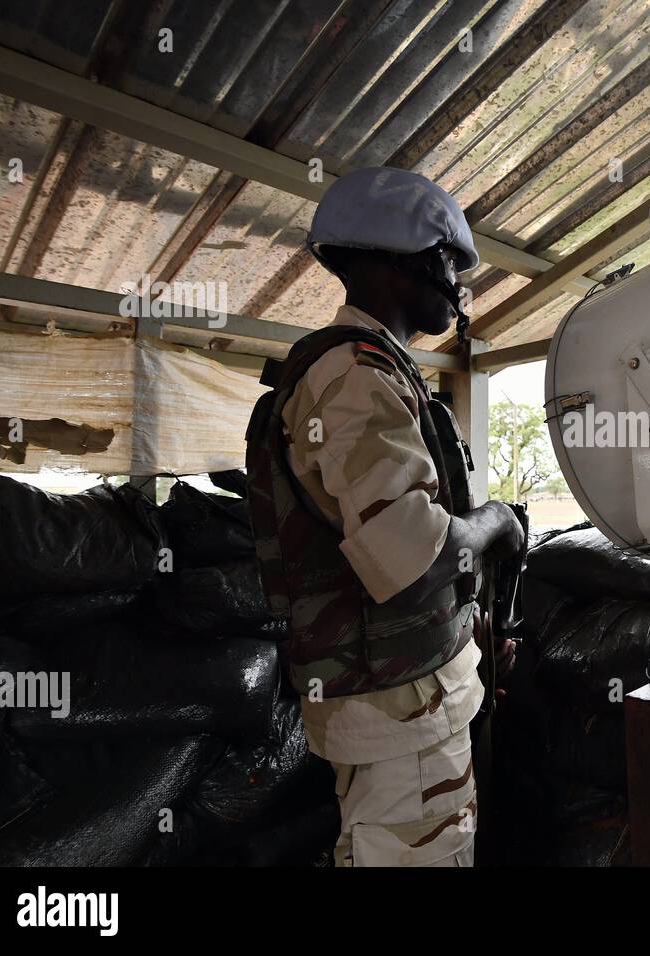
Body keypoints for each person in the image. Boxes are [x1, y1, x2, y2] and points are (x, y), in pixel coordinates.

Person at [244, 167, 523, 867]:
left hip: (412, 701)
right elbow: (415, 560)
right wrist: (496, 523)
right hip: (399, 717)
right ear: (410, 266)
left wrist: (472, 630)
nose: (458, 287)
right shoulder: (354, 377)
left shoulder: (380, 370)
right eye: (450, 265)